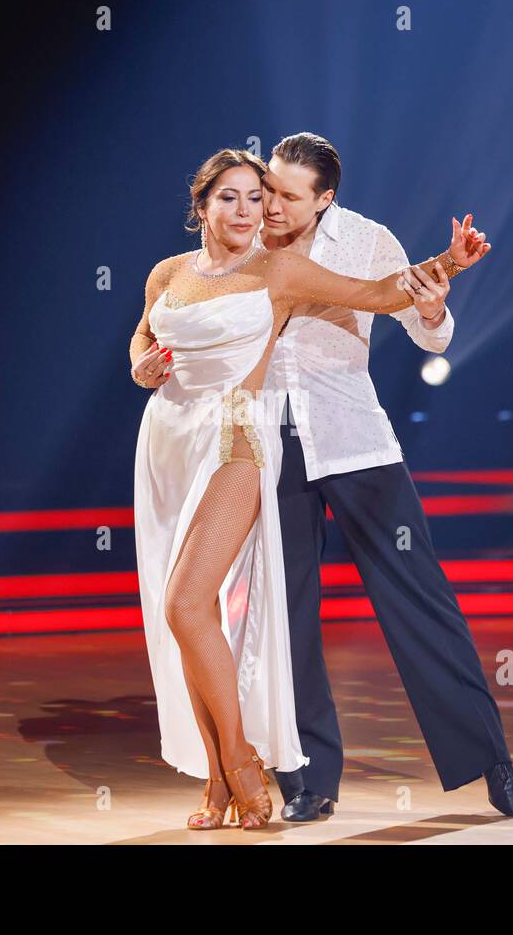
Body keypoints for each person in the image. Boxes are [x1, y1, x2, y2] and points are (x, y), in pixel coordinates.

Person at [129, 147, 490, 829]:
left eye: (261, 196)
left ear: (321, 198)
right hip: (175, 443)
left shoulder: (298, 261)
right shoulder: (171, 271)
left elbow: (386, 297)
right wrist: (143, 364)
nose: (255, 209)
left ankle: (244, 763)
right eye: (234, 197)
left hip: (274, 435)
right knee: (221, 615)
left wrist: (448, 267)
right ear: (200, 205)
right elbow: (144, 337)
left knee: (192, 605)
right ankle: (246, 782)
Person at [255, 133, 513, 822]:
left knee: (420, 598)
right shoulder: (245, 238)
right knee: (286, 613)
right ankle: (309, 778)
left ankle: (488, 757)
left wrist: (435, 304)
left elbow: (426, 325)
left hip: (355, 442)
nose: (274, 203)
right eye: (271, 187)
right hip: (267, 443)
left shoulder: (368, 241)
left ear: (325, 198)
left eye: (290, 194)